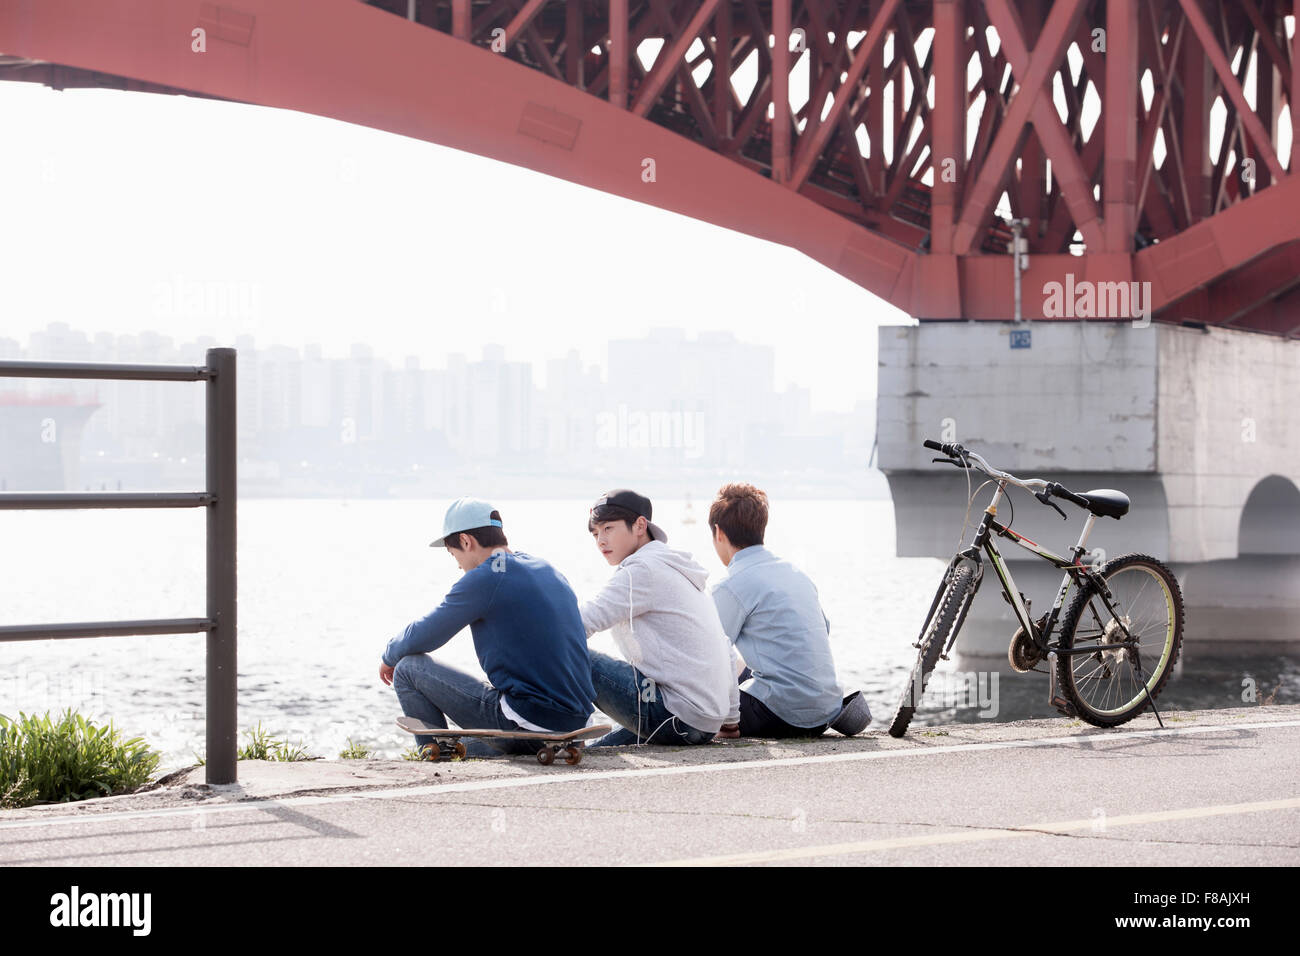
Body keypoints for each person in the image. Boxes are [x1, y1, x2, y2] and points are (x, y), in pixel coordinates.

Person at [380, 496, 596, 757]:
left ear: (465, 541)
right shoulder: (546, 569)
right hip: (575, 726)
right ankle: (450, 749)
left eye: (453, 554)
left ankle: (436, 756)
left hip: (529, 722)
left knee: (407, 668)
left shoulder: (486, 577)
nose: (458, 565)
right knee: (469, 750)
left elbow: (425, 634)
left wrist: (389, 656)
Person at [707, 482, 870, 739]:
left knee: (688, 706)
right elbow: (822, 630)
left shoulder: (730, 586)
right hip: (825, 713)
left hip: (780, 715)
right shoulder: (796, 574)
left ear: (718, 532)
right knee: (743, 668)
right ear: (761, 527)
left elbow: (709, 655)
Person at [579, 489, 738, 747]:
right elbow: (725, 647)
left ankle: (557, 729)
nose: (600, 541)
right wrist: (730, 721)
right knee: (601, 748)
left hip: (675, 717)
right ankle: (576, 740)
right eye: (596, 533)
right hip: (701, 724)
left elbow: (582, 624)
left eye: (608, 528)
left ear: (640, 525)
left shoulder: (642, 570)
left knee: (574, 655)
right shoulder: (675, 567)